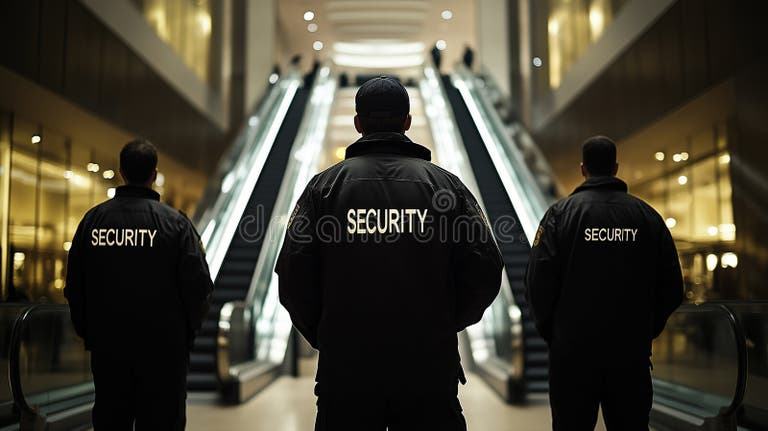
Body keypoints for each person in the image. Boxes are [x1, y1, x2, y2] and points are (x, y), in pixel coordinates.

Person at [276, 76, 503, 430]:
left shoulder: (322, 189)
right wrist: (443, 323)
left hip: (346, 373)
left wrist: (328, 335)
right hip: (428, 371)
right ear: (407, 122)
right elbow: (486, 268)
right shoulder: (447, 187)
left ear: (357, 124)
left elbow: (292, 275)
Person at [525, 136, 684, 430]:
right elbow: (672, 286)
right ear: (616, 167)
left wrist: (556, 334)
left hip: (572, 358)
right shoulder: (647, 216)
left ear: (583, 168)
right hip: (629, 358)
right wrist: (645, 331)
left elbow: (538, 283)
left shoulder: (560, 215)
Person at [64, 139, 213, 430]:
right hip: (164, 354)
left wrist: (90, 332)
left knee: (111, 421)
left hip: (109, 352)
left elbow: (74, 287)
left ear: (121, 172)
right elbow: (199, 287)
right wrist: (186, 335)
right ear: (154, 174)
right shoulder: (176, 225)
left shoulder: (93, 222)